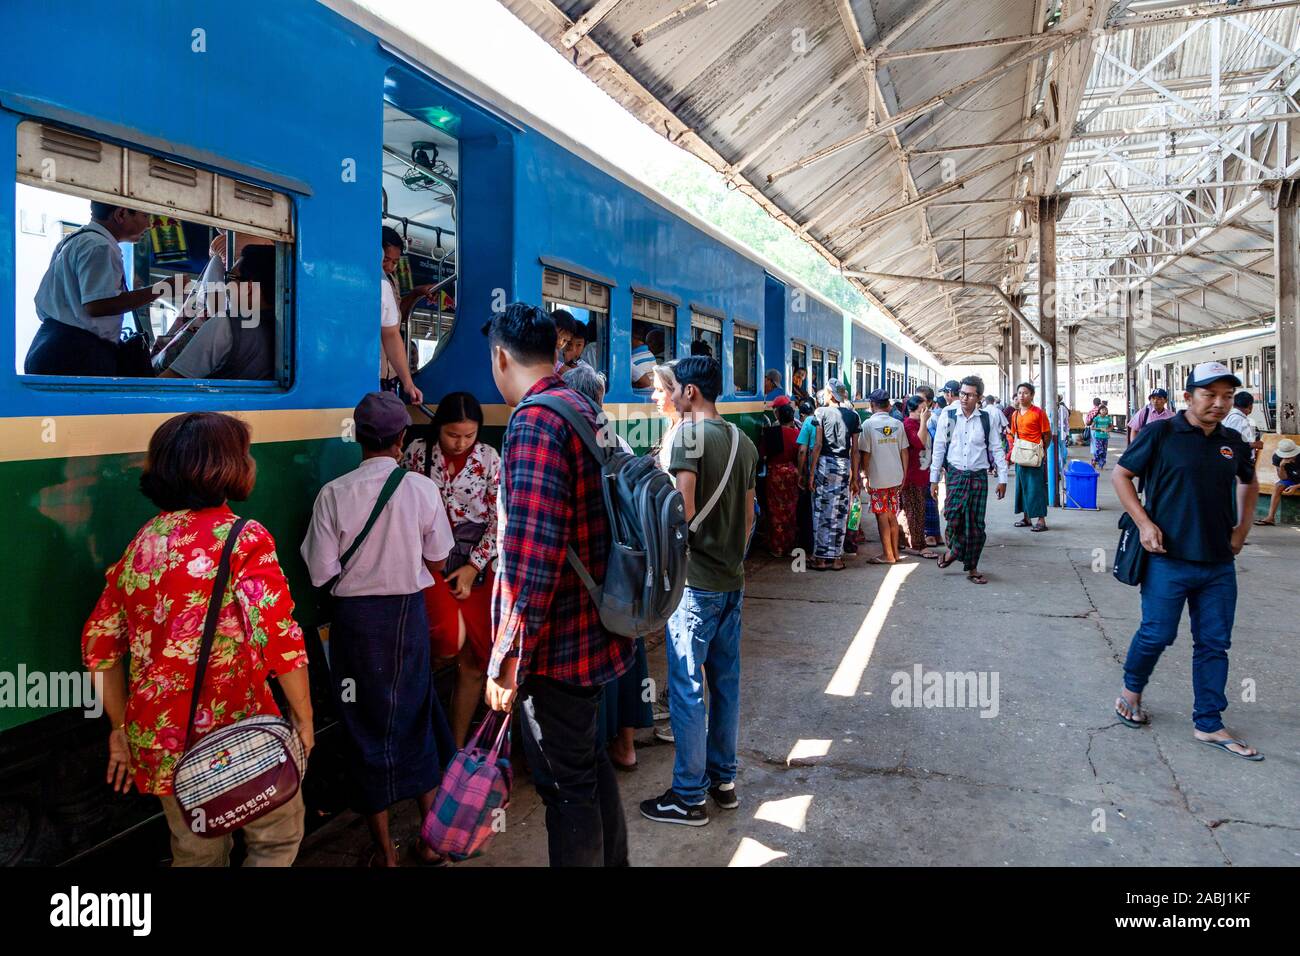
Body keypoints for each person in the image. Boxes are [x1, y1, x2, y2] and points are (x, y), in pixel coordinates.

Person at [82, 412, 312, 866]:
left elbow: (99, 646)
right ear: (227, 467)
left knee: (195, 855)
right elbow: (280, 639)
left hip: (165, 742)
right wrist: (303, 719)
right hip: (241, 731)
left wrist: (119, 729)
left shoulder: (144, 542)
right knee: (275, 839)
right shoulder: (245, 539)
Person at [483, 302, 635, 867]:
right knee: (588, 765)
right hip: (595, 625)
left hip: (558, 647)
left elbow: (532, 558)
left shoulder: (534, 421)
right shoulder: (581, 406)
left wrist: (507, 656)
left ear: (501, 358)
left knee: (565, 787)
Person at [302, 392, 456, 866]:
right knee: (414, 713)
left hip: (355, 626)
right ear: (401, 438)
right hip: (406, 620)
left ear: (358, 437)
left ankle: (384, 852)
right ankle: (431, 840)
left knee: (362, 727)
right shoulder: (422, 490)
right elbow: (438, 559)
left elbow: (320, 574)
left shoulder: (333, 494)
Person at [1111, 362, 1262, 760]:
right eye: (1209, 394)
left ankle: (1209, 722)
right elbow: (1122, 475)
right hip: (1167, 558)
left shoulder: (1232, 440)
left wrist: (1242, 530)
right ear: (1188, 396)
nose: (1218, 403)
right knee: (1158, 633)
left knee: (1214, 642)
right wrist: (1144, 523)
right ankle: (1131, 688)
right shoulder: (1160, 433)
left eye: (1226, 396)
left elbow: (1249, 480)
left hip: (1217, 562)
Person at [640, 356, 757, 826]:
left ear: (689, 391)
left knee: (688, 688)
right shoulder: (742, 442)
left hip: (695, 586)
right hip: (732, 582)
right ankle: (723, 781)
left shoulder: (687, 436)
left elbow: (681, 513)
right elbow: (749, 519)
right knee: (725, 683)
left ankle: (688, 796)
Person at [560, 363, 652, 768]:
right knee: (627, 650)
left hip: (586, 569)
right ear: (598, 398)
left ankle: (593, 749)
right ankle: (626, 746)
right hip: (623, 566)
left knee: (592, 660)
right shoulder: (618, 441)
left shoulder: (562, 435)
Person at [402, 392, 501, 748]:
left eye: (468, 436)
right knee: (442, 646)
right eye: (452, 435)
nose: (460, 443)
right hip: (427, 564)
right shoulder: (416, 453)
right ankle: (422, 738)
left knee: (475, 659)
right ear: (437, 428)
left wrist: (474, 567)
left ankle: (455, 745)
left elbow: (498, 520)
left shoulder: (489, 459)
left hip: (477, 563)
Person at [25, 201, 164, 376]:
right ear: (121, 214)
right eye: (145, 216)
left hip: (50, 345)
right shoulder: (100, 246)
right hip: (76, 354)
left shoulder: (74, 240)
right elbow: (98, 305)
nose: (149, 224)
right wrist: (162, 289)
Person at [930, 375, 1008, 585]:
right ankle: (954, 551)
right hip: (955, 475)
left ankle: (972, 568)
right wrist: (934, 478)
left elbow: (996, 448)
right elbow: (939, 447)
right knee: (953, 517)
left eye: (969, 395)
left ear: (979, 397)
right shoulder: (949, 416)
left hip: (978, 477)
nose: (964, 398)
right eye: (962, 393)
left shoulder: (986, 418)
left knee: (975, 527)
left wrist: (1003, 478)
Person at [159, 245, 277, 380]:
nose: (225, 285)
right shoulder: (283, 333)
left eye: (230, 278)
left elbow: (168, 383)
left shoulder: (225, 325)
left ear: (248, 287)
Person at [808, 380, 861, 571]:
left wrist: (811, 473)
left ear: (830, 394)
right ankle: (836, 558)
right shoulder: (853, 416)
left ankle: (821, 559)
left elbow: (818, 445)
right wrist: (855, 477)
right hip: (844, 466)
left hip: (825, 464)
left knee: (822, 510)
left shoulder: (820, 413)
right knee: (840, 510)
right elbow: (855, 451)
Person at [859, 388, 908, 564]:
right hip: (895, 477)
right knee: (891, 514)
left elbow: (865, 454)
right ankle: (894, 553)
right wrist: (903, 475)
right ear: (888, 405)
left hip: (877, 478)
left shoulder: (867, 425)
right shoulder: (898, 424)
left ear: (872, 405)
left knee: (881, 515)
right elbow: (904, 452)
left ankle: (888, 555)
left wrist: (864, 475)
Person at [380, 226, 428, 404]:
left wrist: (416, 293)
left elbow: (393, 325)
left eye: (394, 262)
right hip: (372, 369)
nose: (390, 267)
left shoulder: (390, 282)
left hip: (390, 372)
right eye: (385, 260)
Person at [1009, 382, 1053, 532]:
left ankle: (1041, 520)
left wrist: (1042, 451)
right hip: (1021, 455)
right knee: (1021, 487)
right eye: (1020, 393)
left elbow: (1047, 434)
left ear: (1032, 395)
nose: (1022, 396)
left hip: (1034, 455)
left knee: (1036, 488)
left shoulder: (1038, 413)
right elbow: (1014, 435)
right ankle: (1026, 517)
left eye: (1026, 393)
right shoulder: (1015, 415)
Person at [762, 398, 802, 557]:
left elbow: (763, 454)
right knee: (791, 510)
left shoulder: (771, 433)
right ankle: (790, 545)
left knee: (775, 510)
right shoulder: (796, 434)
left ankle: (777, 547)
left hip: (775, 474)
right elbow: (800, 455)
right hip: (792, 472)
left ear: (778, 416)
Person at [901, 395, 939, 559]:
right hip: (912, 475)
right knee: (915, 511)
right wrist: (924, 421)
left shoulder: (917, 423)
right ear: (913, 410)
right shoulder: (909, 425)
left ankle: (909, 541)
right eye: (922, 410)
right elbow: (920, 443)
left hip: (922, 473)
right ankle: (918, 546)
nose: (927, 412)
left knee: (917, 509)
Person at [1254, 438, 1300, 527]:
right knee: (1278, 486)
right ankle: (1270, 518)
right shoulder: (1277, 458)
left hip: (1297, 482)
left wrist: (1296, 486)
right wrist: (1282, 466)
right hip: (1292, 479)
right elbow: (1283, 478)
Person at [924, 394, 947, 546]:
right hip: (941, 462)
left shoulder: (933, 418)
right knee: (933, 496)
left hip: (929, 461)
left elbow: (935, 443)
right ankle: (936, 533)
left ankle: (931, 534)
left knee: (929, 497)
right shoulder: (947, 414)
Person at [1091, 403, 1113, 470]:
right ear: (1099, 411)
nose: (1104, 411)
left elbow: (1111, 426)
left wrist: (1108, 430)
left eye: (1105, 410)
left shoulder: (1108, 419)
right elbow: (1092, 427)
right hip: (1098, 437)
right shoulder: (1096, 418)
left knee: (1104, 452)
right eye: (1102, 410)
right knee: (1100, 450)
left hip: (1105, 437)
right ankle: (1094, 460)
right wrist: (1099, 429)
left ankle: (1101, 465)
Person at [1055, 393, 1071, 476]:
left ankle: (1060, 468)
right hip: (1052, 433)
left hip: (1062, 432)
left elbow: (1066, 422)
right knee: (1055, 453)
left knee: (1063, 453)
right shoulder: (1047, 408)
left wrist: (1067, 434)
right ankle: (1057, 471)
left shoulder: (1063, 409)